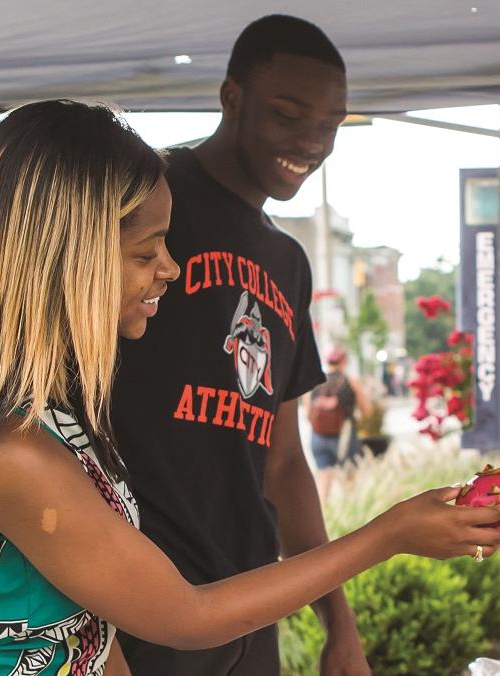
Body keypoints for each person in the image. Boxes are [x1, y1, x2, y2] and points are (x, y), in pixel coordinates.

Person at [0, 99, 500, 675]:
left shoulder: (50, 412)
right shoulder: (10, 451)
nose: (170, 270)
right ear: (69, 259)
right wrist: (389, 534)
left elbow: (86, 634)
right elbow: (186, 616)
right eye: (146, 254)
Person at [109, 14, 385, 674]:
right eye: (289, 115)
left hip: (248, 608)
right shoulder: (149, 197)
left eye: (332, 124)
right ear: (233, 98)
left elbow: (283, 462)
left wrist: (337, 621)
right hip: (139, 603)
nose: (312, 141)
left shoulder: (288, 260)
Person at [309, 347, 372, 499]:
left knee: (323, 479)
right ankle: (349, 515)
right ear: (344, 362)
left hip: (318, 436)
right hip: (344, 435)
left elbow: (307, 414)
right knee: (349, 480)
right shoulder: (351, 381)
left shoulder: (315, 383)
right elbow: (367, 411)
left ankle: (325, 516)